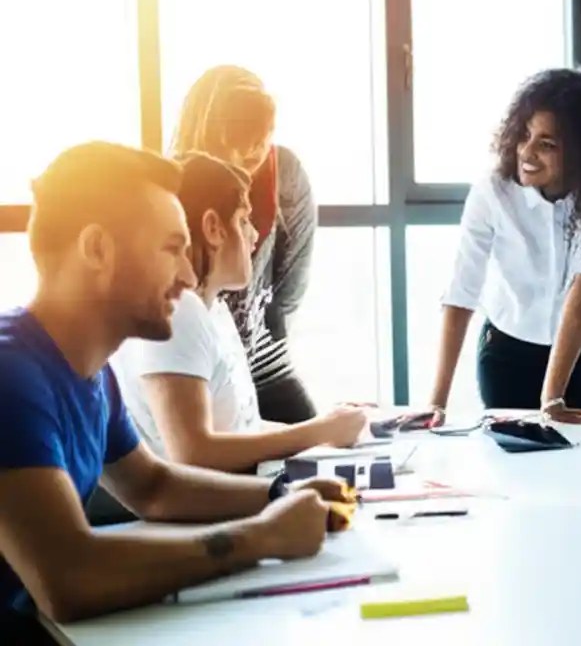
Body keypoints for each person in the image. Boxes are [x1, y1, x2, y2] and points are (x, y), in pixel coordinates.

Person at [0, 143, 351, 636]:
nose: (188, 274)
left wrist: (279, 493)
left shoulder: (90, 372)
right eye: (171, 249)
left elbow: (153, 487)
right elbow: (68, 576)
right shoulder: (11, 375)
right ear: (97, 249)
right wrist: (261, 538)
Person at [109, 153, 368, 474]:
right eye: (244, 220)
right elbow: (192, 453)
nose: (254, 235)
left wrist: (327, 428)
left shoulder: (213, 308)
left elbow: (244, 431)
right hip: (211, 508)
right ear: (214, 227)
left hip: (244, 487)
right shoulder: (179, 310)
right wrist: (319, 432)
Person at [426, 68, 581, 425]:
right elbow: (462, 292)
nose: (527, 152)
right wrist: (435, 403)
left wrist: (552, 399)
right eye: (525, 135)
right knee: (515, 469)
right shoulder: (493, 192)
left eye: (547, 144)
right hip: (508, 353)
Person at [171, 65, 319, 424]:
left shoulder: (285, 175)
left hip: (260, 356)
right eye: (229, 154)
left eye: (254, 155)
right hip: (202, 362)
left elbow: (287, 293)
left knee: (321, 446)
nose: (242, 168)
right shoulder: (177, 186)